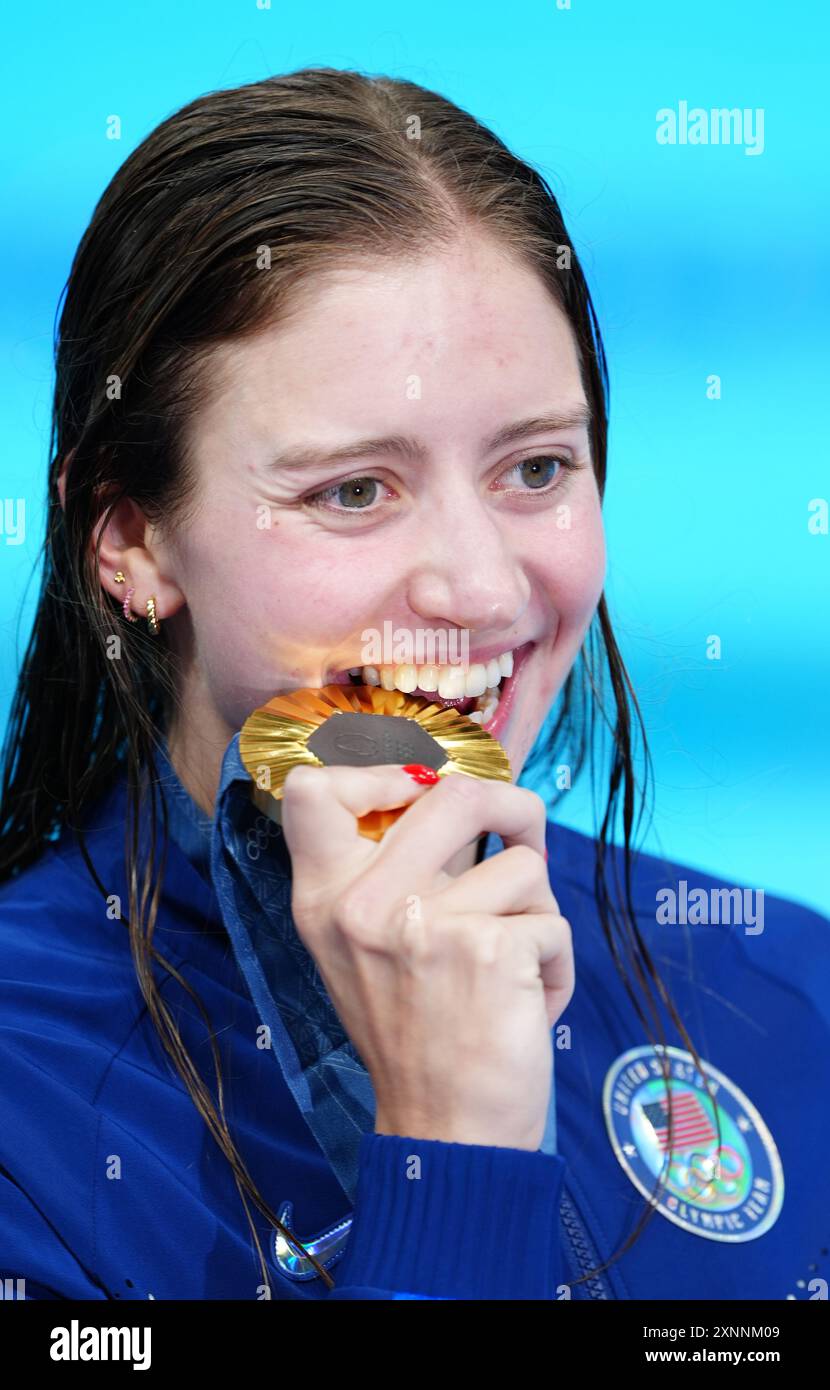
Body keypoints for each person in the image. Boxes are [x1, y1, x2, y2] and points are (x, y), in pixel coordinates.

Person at [0, 66, 827, 1303]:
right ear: (130, 540)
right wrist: (452, 1152)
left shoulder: (786, 995)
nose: (484, 591)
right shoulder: (28, 1103)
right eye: (352, 491)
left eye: (535, 468)